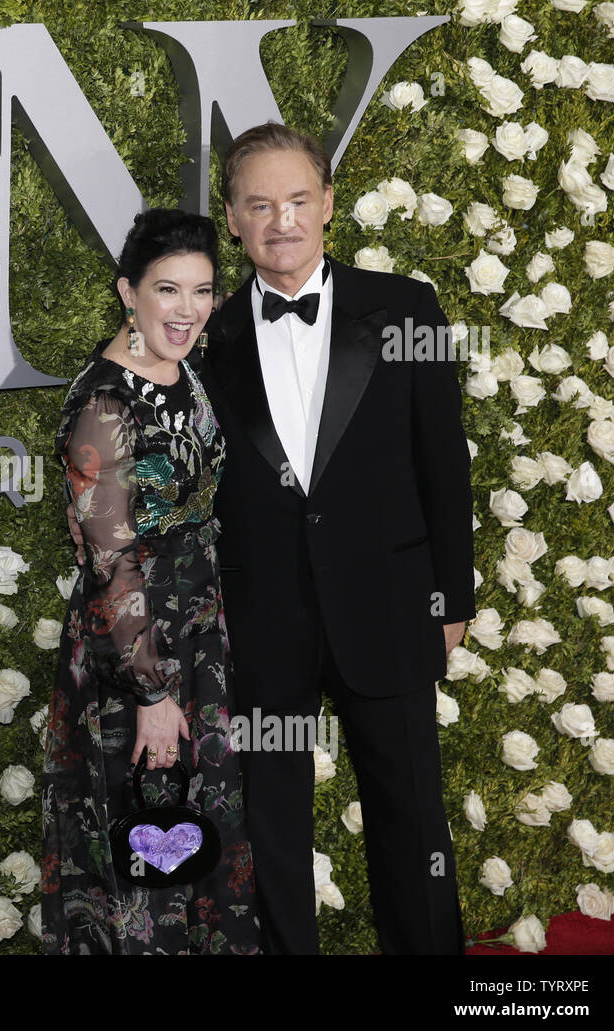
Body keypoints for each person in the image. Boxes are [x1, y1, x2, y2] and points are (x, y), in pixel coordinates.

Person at [198, 122, 475, 954]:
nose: (280, 220)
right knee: (270, 830)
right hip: (261, 620)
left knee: (412, 820)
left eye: (295, 199)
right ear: (234, 221)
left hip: (390, 607)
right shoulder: (203, 333)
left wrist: (452, 597)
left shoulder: (404, 308)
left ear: (327, 204)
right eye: (258, 204)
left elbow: (443, 462)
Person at [40, 208, 262, 955]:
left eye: (203, 291)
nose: (189, 310)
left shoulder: (183, 370)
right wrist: (154, 695)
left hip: (196, 640)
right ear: (127, 292)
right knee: (137, 857)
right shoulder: (104, 403)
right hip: (133, 653)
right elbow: (111, 560)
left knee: (199, 845)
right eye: (169, 290)